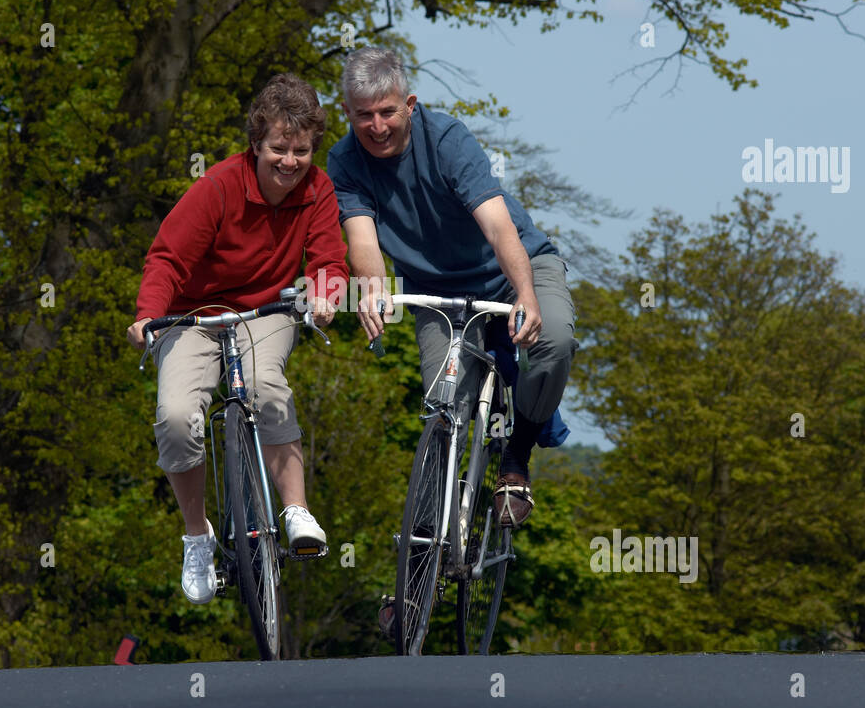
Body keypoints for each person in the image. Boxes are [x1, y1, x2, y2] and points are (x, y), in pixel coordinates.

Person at [327, 47, 577, 531]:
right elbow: (362, 239)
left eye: (387, 112)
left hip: (515, 267)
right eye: (363, 116)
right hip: (438, 292)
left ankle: (516, 461)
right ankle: (427, 544)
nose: (377, 127)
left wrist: (525, 294)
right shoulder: (344, 161)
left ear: (410, 105)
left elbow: (498, 228)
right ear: (347, 113)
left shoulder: (446, 140)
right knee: (445, 402)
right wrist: (372, 290)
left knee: (555, 340)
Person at [128, 74, 348, 604]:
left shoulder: (317, 190)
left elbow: (328, 259)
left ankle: (295, 510)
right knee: (176, 416)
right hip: (193, 315)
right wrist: (147, 316)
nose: (289, 162)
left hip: (265, 310)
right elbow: (167, 259)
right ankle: (197, 536)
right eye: (278, 149)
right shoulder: (219, 186)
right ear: (256, 144)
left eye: (301, 151)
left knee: (266, 384)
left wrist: (324, 295)